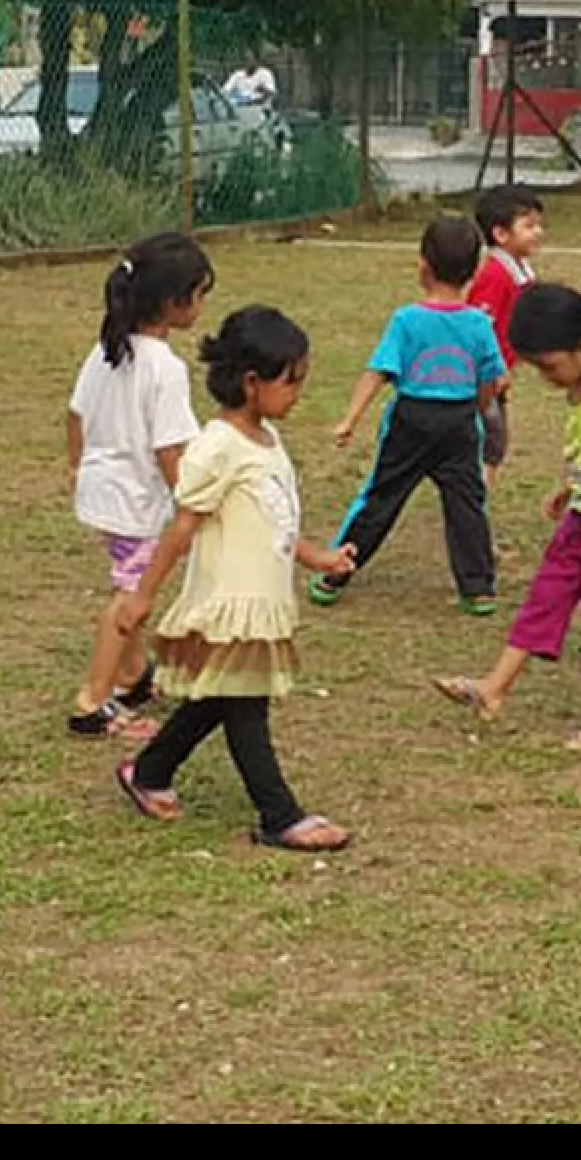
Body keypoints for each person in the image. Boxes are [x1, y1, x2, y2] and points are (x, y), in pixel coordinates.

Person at [113, 306, 356, 853]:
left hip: (262, 598)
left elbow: (268, 515)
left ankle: (148, 772)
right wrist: (144, 593)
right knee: (246, 704)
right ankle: (279, 814)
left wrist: (314, 556)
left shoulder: (266, 438)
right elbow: (184, 525)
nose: (298, 393)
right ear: (252, 382)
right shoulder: (218, 445)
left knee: (220, 697)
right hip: (231, 601)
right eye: (290, 382)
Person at [433, 285, 581, 752]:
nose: (546, 377)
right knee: (545, 598)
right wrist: (569, 488)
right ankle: (493, 688)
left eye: (549, 366)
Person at [64, 232, 216, 740]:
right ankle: (93, 701)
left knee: (128, 582)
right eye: (199, 294)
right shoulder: (164, 368)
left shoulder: (108, 348)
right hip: (133, 500)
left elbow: (75, 414)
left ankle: (130, 677)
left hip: (103, 491)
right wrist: (191, 505)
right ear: (175, 303)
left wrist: (76, 467)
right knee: (133, 597)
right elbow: (169, 449)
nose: (201, 304)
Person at [315, 217, 507, 615]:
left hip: (411, 419)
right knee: (467, 502)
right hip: (459, 422)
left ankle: (337, 569)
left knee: (382, 496)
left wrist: (351, 418)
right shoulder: (479, 324)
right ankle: (478, 587)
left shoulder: (406, 320)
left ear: (423, 265)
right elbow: (492, 379)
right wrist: (478, 404)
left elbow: (379, 371)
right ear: (473, 271)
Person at [468, 184, 545, 475]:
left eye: (538, 225)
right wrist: (494, 368)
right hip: (482, 380)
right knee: (489, 441)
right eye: (529, 226)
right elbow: (478, 327)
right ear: (501, 234)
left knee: (494, 442)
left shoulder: (519, 269)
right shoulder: (494, 276)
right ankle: (476, 499)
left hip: (497, 378)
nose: (537, 232)